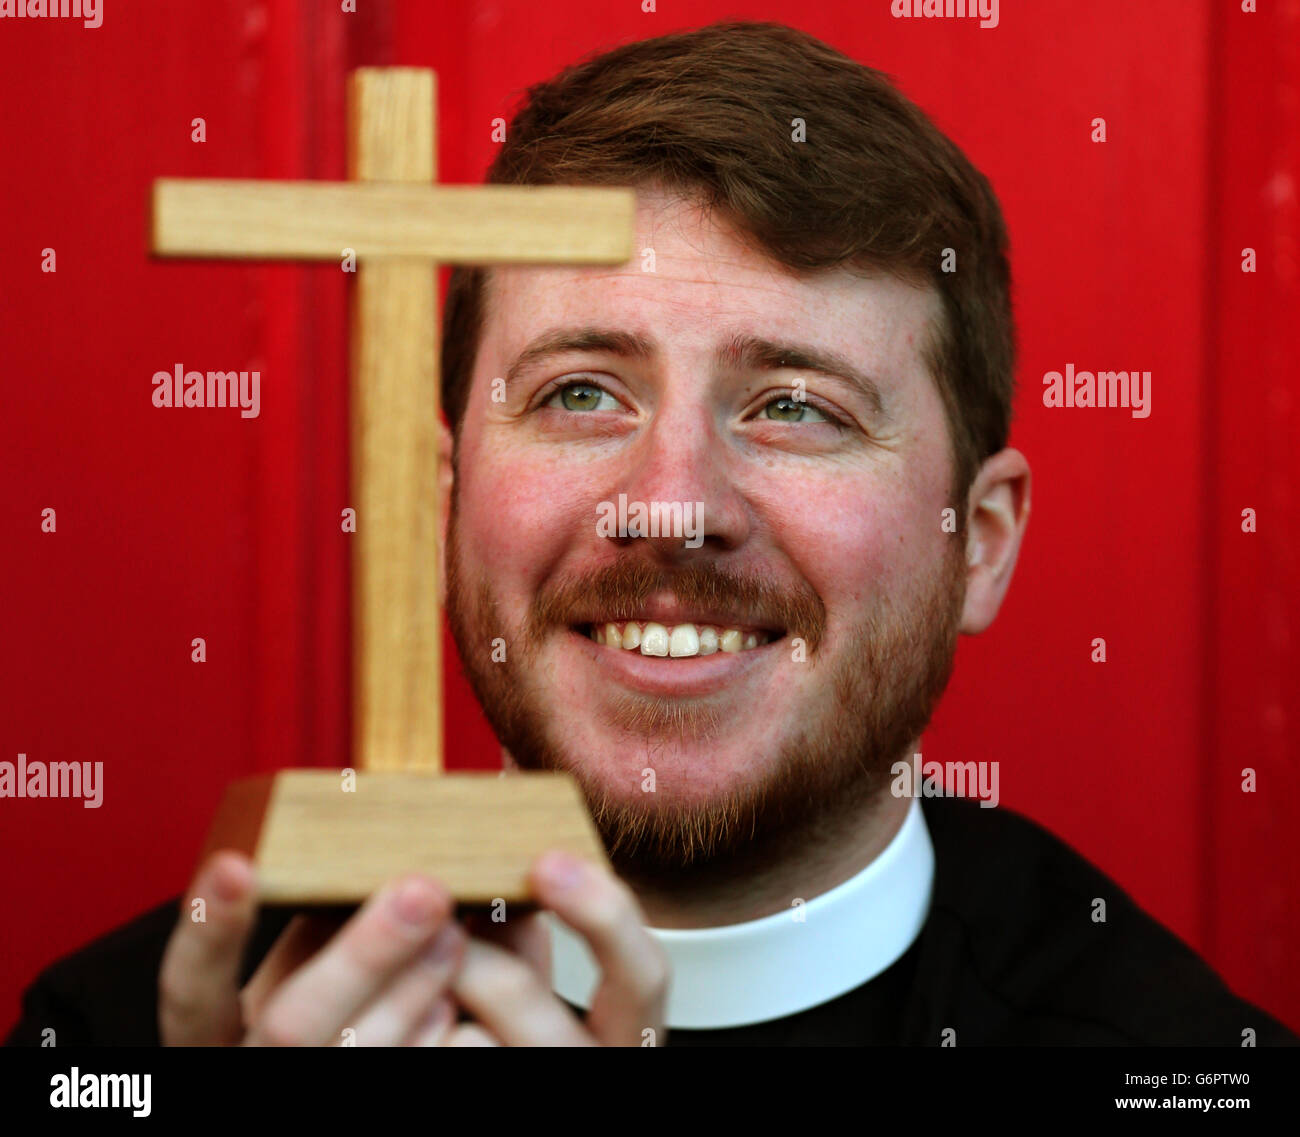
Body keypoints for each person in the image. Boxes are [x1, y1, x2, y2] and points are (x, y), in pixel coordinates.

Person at [7, 20, 1295, 1047]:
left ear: (983, 540)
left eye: (796, 406)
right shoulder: (128, 1047)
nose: (671, 504)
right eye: (580, 392)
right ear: (440, 494)